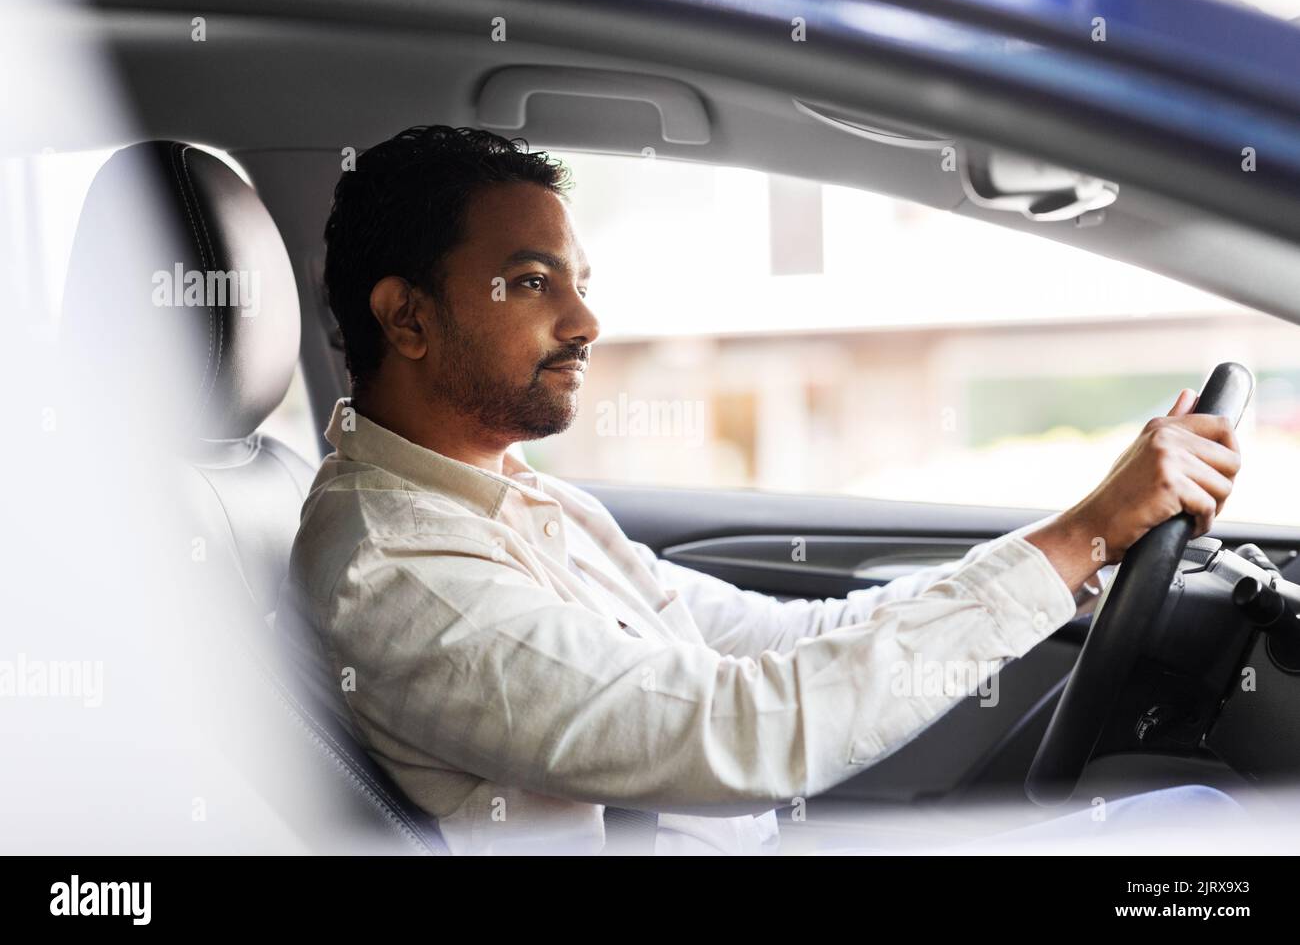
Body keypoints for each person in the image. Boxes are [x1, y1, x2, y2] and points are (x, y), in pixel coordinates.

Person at [277, 125, 1242, 854]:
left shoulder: (520, 503)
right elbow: (743, 731)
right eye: (532, 283)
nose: (586, 319)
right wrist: (1079, 538)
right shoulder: (399, 568)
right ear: (406, 318)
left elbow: (782, 642)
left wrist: (1086, 540)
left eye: (578, 279)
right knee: (1206, 842)